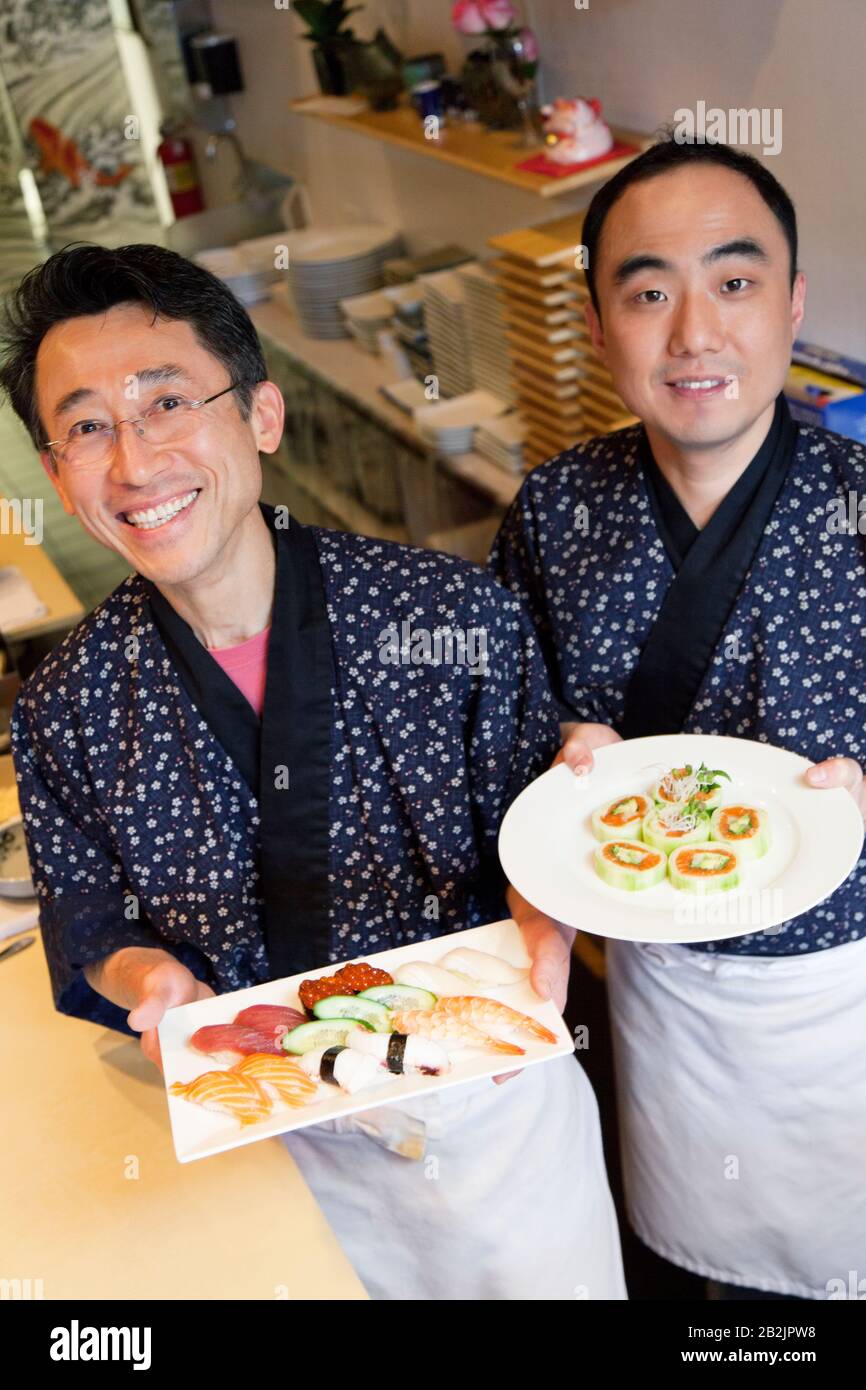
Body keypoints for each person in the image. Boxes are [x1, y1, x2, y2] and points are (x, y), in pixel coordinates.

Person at [1, 242, 625, 1301]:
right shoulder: (64, 707)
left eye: (165, 401)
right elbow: (88, 918)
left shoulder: (449, 615)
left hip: (487, 1111)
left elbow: (536, 831)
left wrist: (556, 883)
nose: (135, 461)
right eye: (87, 426)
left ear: (261, 416)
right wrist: (142, 979)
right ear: (57, 474)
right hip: (264, 1135)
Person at [489, 134, 866, 1301]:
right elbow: (502, 718)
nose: (693, 333)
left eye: (734, 282)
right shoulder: (556, 508)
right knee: (715, 1292)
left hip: (839, 995)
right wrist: (553, 750)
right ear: (597, 324)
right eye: (647, 292)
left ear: (791, 302)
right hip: (656, 992)